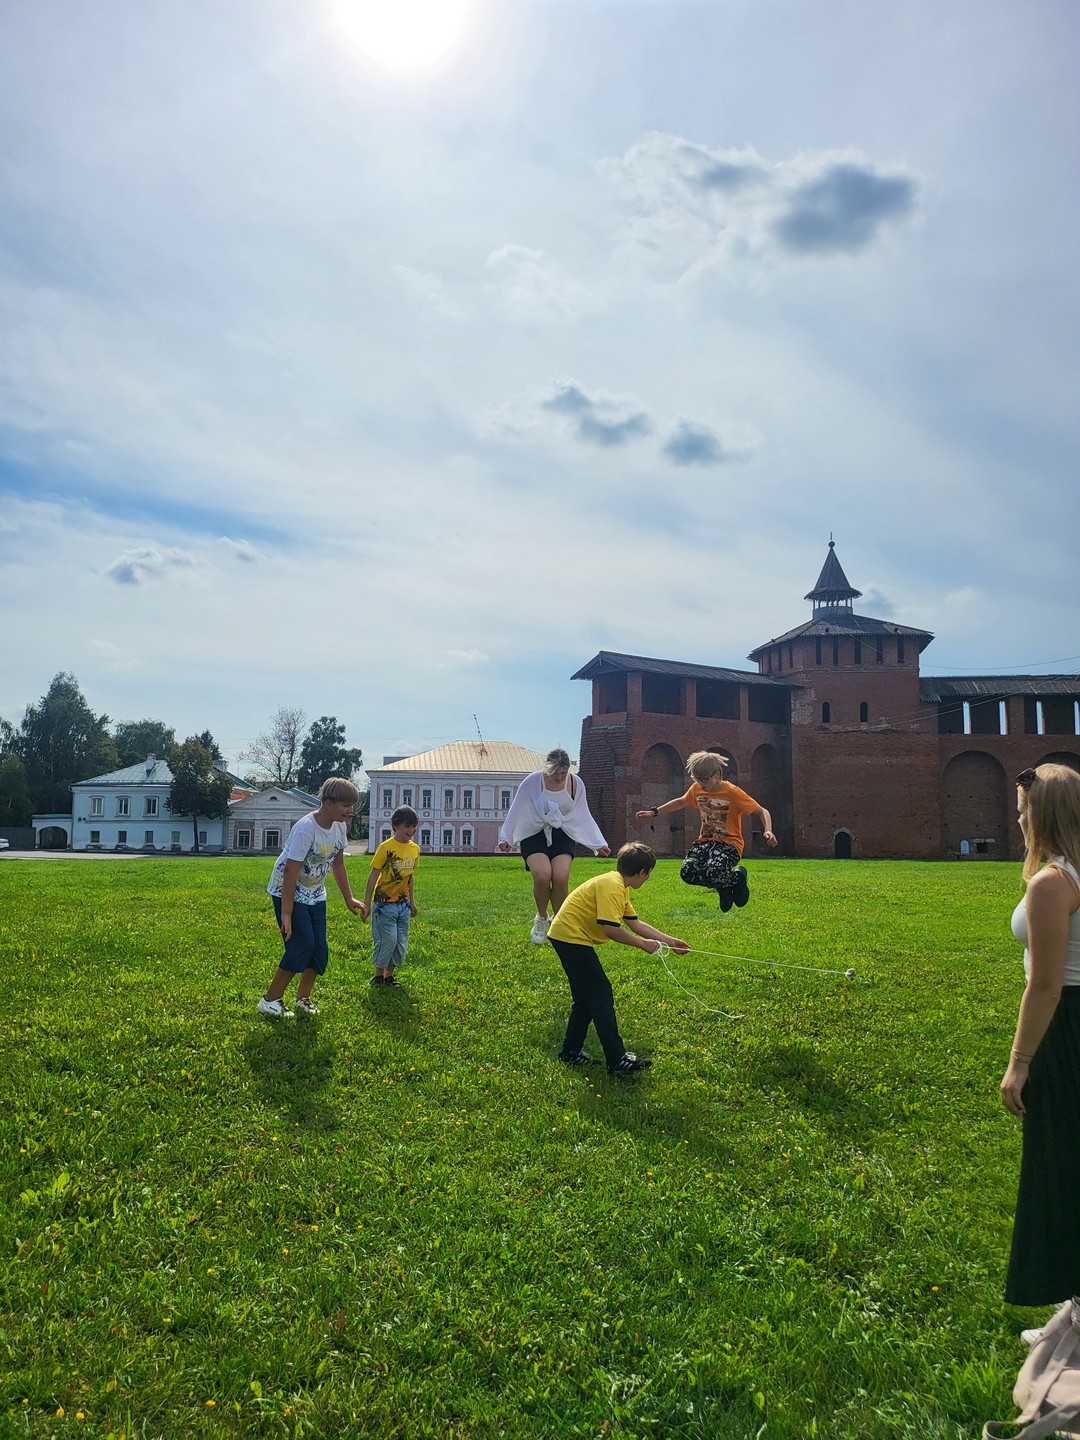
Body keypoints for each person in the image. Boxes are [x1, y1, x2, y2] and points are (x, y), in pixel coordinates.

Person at [1000, 764, 1080, 1318]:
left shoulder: (1052, 882)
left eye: (1025, 809)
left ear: (1044, 815)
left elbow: (1046, 985)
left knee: (1059, 1164)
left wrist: (1019, 1063)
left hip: (1064, 1029)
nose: (1018, 817)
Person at [547, 842, 689, 1075]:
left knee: (586, 999)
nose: (647, 879)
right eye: (648, 874)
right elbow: (611, 929)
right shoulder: (612, 886)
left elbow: (635, 923)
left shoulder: (618, 885)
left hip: (566, 936)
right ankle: (617, 1059)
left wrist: (670, 941)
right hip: (570, 937)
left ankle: (570, 1053)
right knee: (600, 994)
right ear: (642, 872)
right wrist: (643, 945)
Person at [258, 777, 361, 1019]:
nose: (350, 810)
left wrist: (349, 898)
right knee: (300, 944)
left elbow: (338, 864)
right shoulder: (306, 828)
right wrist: (286, 912)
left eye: (352, 805)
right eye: (345, 804)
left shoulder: (339, 827)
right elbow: (290, 871)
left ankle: (302, 998)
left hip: (315, 893)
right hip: (288, 891)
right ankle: (270, 1000)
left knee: (319, 948)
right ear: (327, 802)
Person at [636, 750, 777, 912]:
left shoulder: (732, 792)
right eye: (697, 779)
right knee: (687, 872)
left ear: (717, 775)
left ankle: (737, 879)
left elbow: (762, 811)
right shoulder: (697, 788)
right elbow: (681, 801)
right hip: (705, 842)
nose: (701, 783)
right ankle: (724, 886)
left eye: (704, 779)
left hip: (729, 844)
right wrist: (654, 812)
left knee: (714, 872)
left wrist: (768, 831)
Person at [498, 747, 610, 944]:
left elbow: (582, 814)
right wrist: (506, 838)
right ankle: (542, 917)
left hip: (562, 832)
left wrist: (598, 843)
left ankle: (560, 922)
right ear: (547, 769)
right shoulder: (533, 781)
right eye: (555, 773)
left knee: (560, 876)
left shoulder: (576, 784)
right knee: (542, 875)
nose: (559, 777)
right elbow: (517, 808)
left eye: (563, 772)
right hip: (534, 832)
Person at [359, 806, 420, 987]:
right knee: (388, 940)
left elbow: (409, 878)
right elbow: (373, 875)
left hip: (403, 905)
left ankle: (389, 976)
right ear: (395, 826)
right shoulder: (385, 848)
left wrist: (412, 903)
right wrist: (367, 903)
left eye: (414, 826)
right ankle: (378, 976)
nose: (411, 830)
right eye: (407, 826)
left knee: (400, 942)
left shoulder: (415, 849)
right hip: (385, 905)